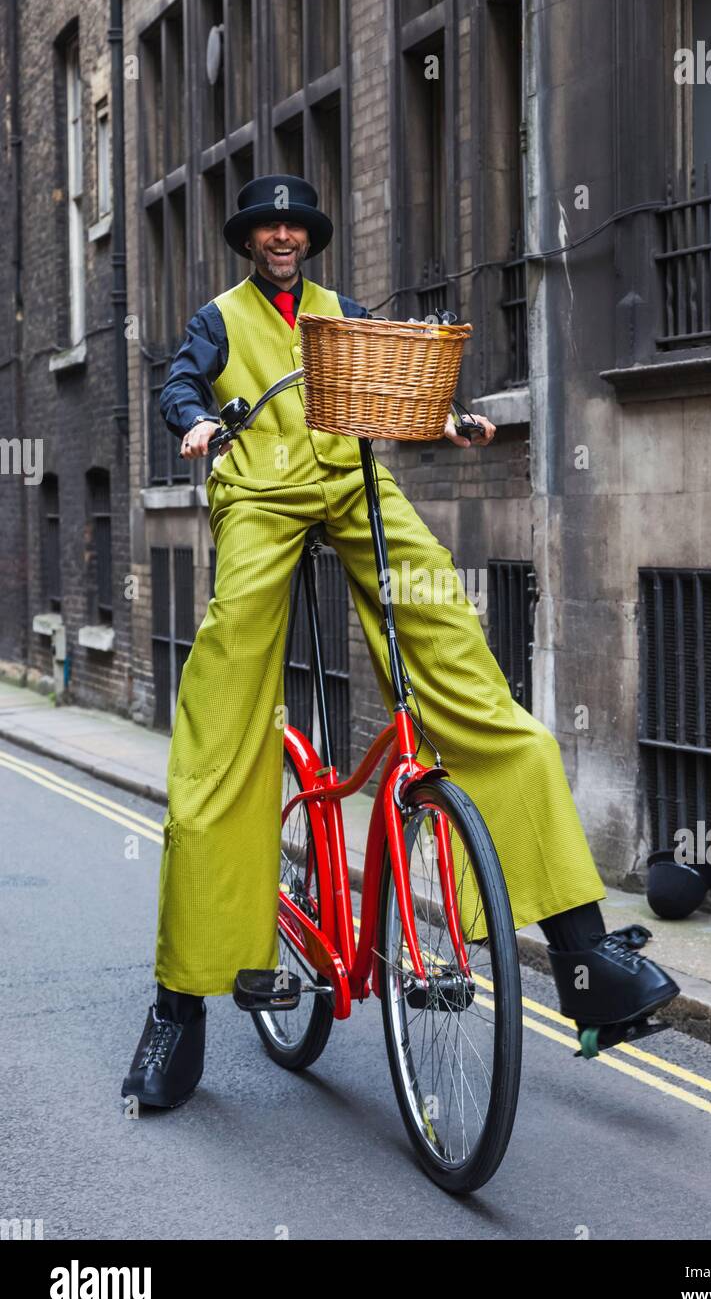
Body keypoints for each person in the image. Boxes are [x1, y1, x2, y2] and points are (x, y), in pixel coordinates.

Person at [121, 175, 678, 1109]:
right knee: (220, 731)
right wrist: (198, 422)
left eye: (295, 223)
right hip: (257, 498)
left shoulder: (344, 314)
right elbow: (180, 381)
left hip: (353, 488)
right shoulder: (220, 319)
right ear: (250, 240)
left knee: (469, 674)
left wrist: (448, 416)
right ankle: (180, 1006)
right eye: (268, 225)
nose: (283, 235)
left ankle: (583, 955)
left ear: (311, 236)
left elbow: (401, 380)